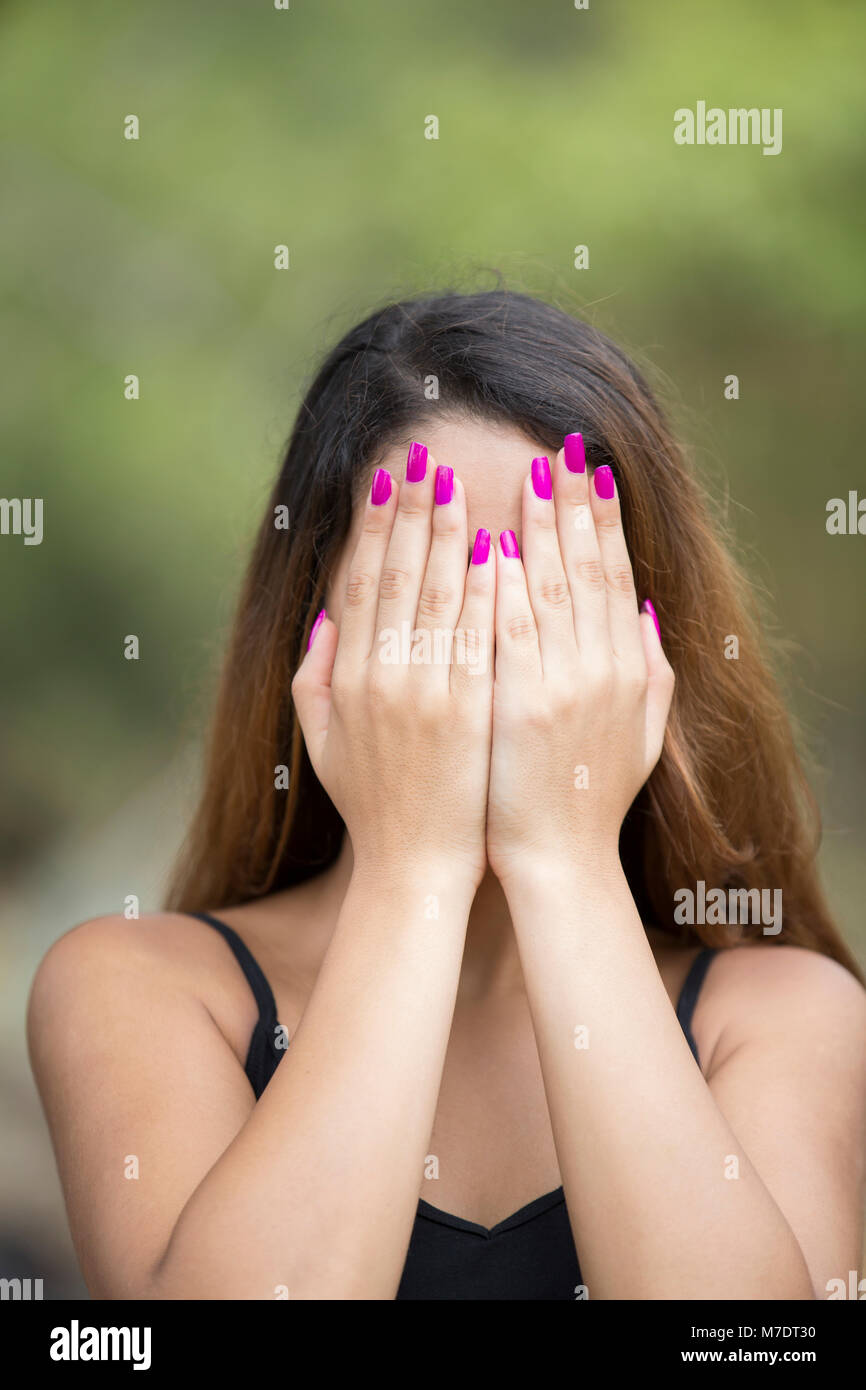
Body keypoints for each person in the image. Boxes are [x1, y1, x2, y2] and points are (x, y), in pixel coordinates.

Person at [28, 291, 866, 1299]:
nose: (494, 633)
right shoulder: (141, 986)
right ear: (313, 627)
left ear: (648, 642)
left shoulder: (781, 1014)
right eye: (432, 578)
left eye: (551, 580)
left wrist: (561, 859)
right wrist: (410, 866)